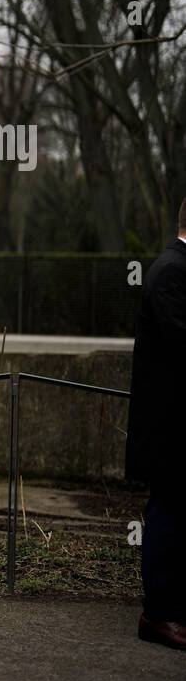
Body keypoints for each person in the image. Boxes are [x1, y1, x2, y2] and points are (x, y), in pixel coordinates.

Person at [125, 198, 186, 651]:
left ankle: (168, 609)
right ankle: (160, 614)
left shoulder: (172, 269)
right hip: (171, 429)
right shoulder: (171, 271)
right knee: (168, 515)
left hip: (172, 426)